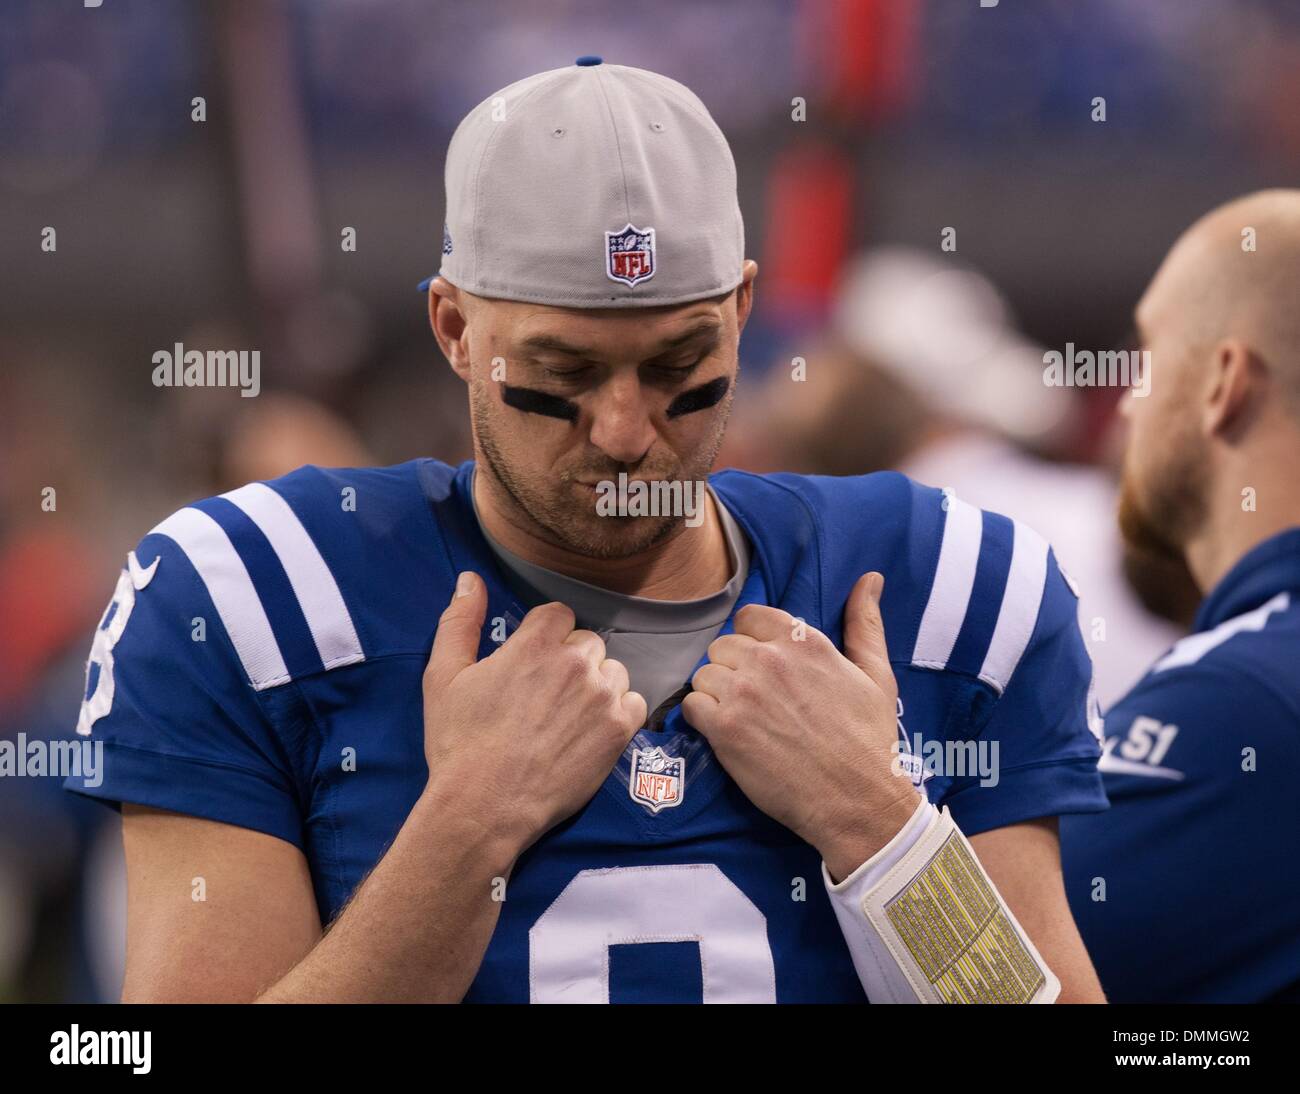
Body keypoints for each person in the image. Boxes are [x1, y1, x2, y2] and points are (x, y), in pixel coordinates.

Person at [67, 60, 1105, 1003]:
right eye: (562, 374)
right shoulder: (253, 593)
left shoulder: (943, 583)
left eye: (676, 368)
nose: (624, 432)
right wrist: (467, 826)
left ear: (743, 311)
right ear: (455, 329)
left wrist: (884, 830)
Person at [1061, 190, 1300, 1002]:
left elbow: (1006, 978)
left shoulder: (1241, 701)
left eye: (1152, 356)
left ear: (1223, 382)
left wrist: (869, 818)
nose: (1125, 403)